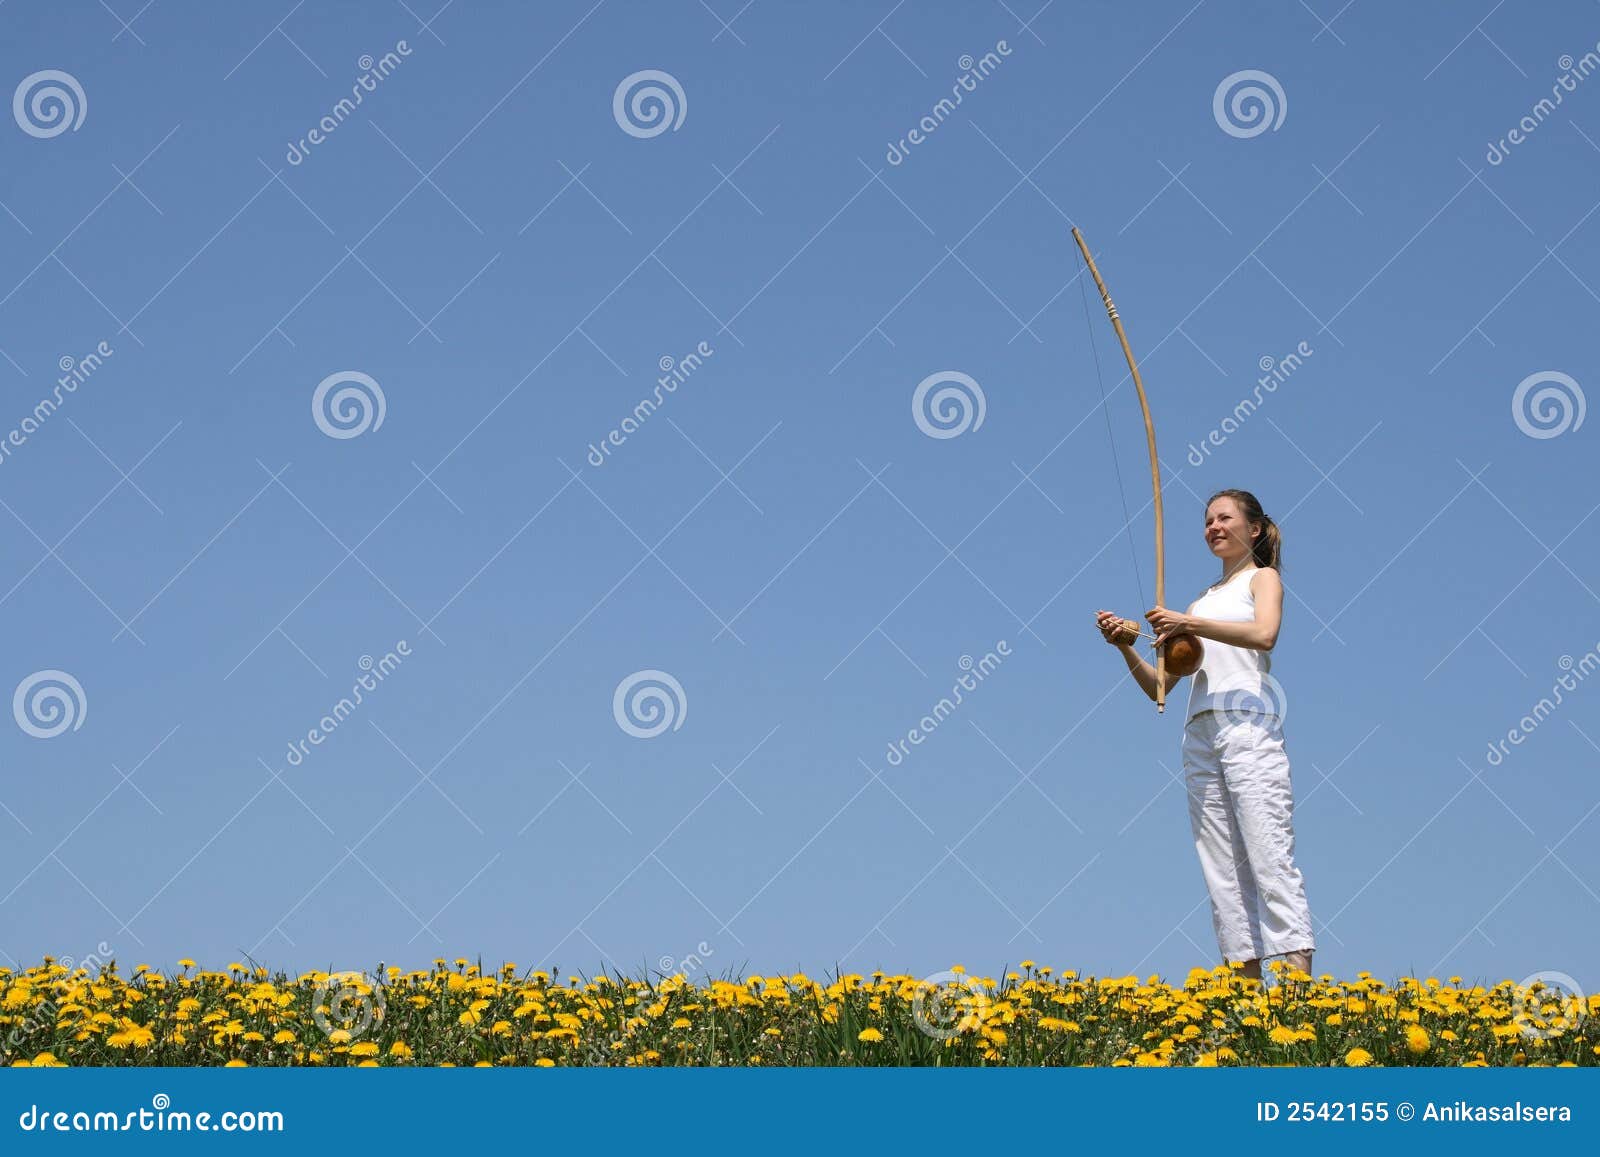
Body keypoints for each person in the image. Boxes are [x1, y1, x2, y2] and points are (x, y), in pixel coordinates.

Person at [1095, 489, 1315, 982]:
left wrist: (1188, 621)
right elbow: (1160, 685)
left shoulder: (1263, 579)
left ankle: (1298, 988)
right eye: (1208, 520)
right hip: (1199, 730)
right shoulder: (1202, 601)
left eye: (1225, 518)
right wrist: (1125, 648)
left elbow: (1265, 635)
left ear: (1254, 529)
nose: (1213, 526)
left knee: (1267, 846)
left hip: (1246, 724)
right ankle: (1244, 988)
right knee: (1220, 862)